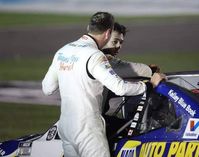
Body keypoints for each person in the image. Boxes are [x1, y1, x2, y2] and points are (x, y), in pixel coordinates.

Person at [42, 12, 165, 157]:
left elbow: (47, 88)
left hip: (65, 126)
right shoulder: (95, 56)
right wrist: (149, 85)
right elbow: (120, 88)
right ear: (108, 33)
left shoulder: (63, 51)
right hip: (87, 126)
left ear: (89, 27)